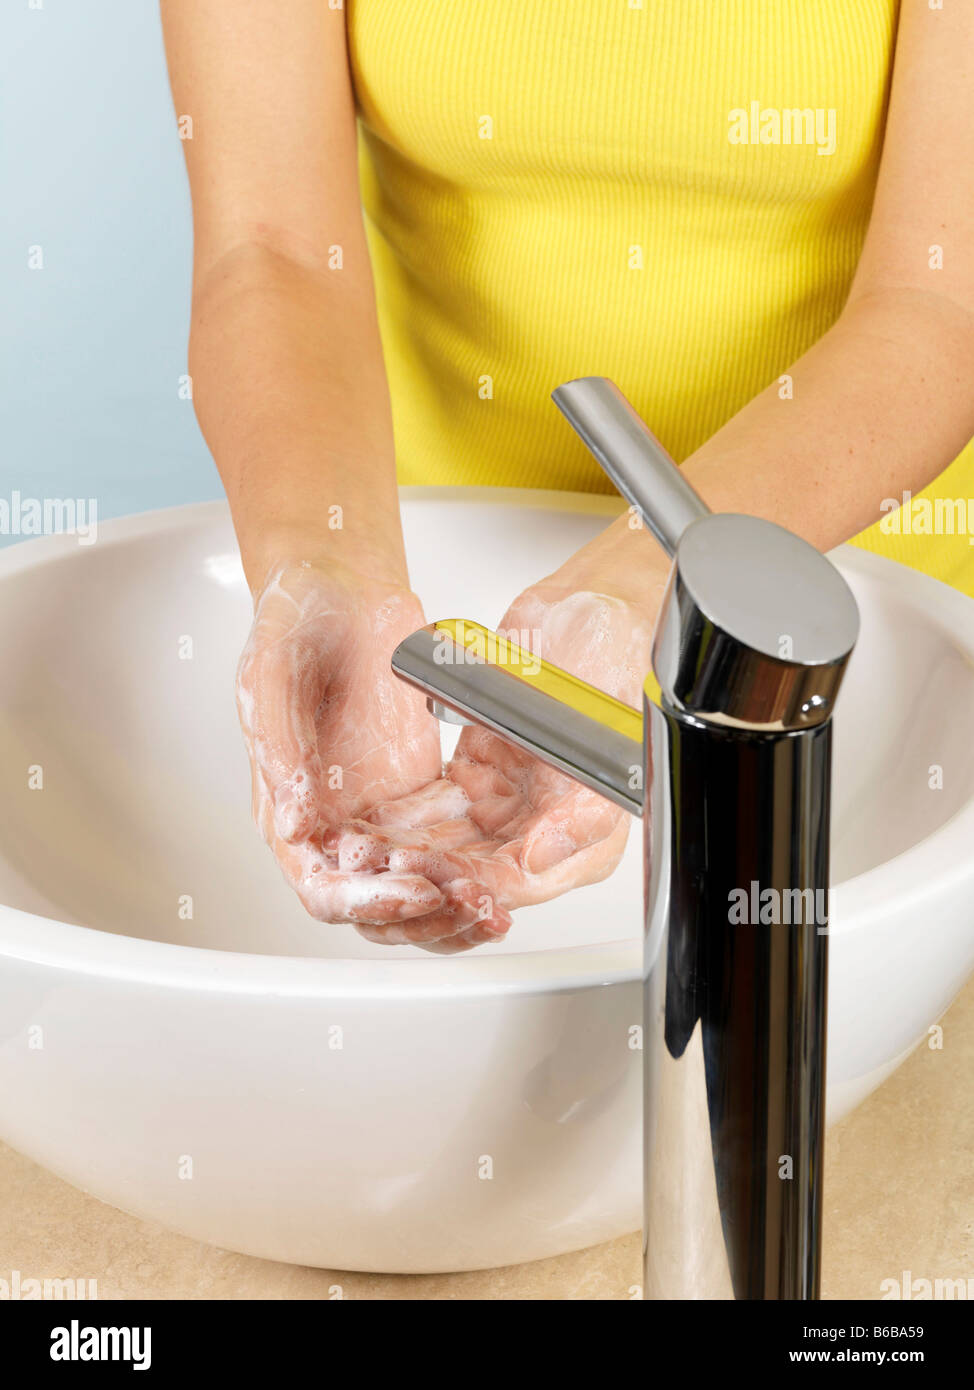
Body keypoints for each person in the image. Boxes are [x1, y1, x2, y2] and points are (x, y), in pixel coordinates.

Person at [161, 1, 974, 952]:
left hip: (854, 632)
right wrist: (327, 568)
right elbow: (273, 246)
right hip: (442, 578)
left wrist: (639, 588)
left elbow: (937, 303)